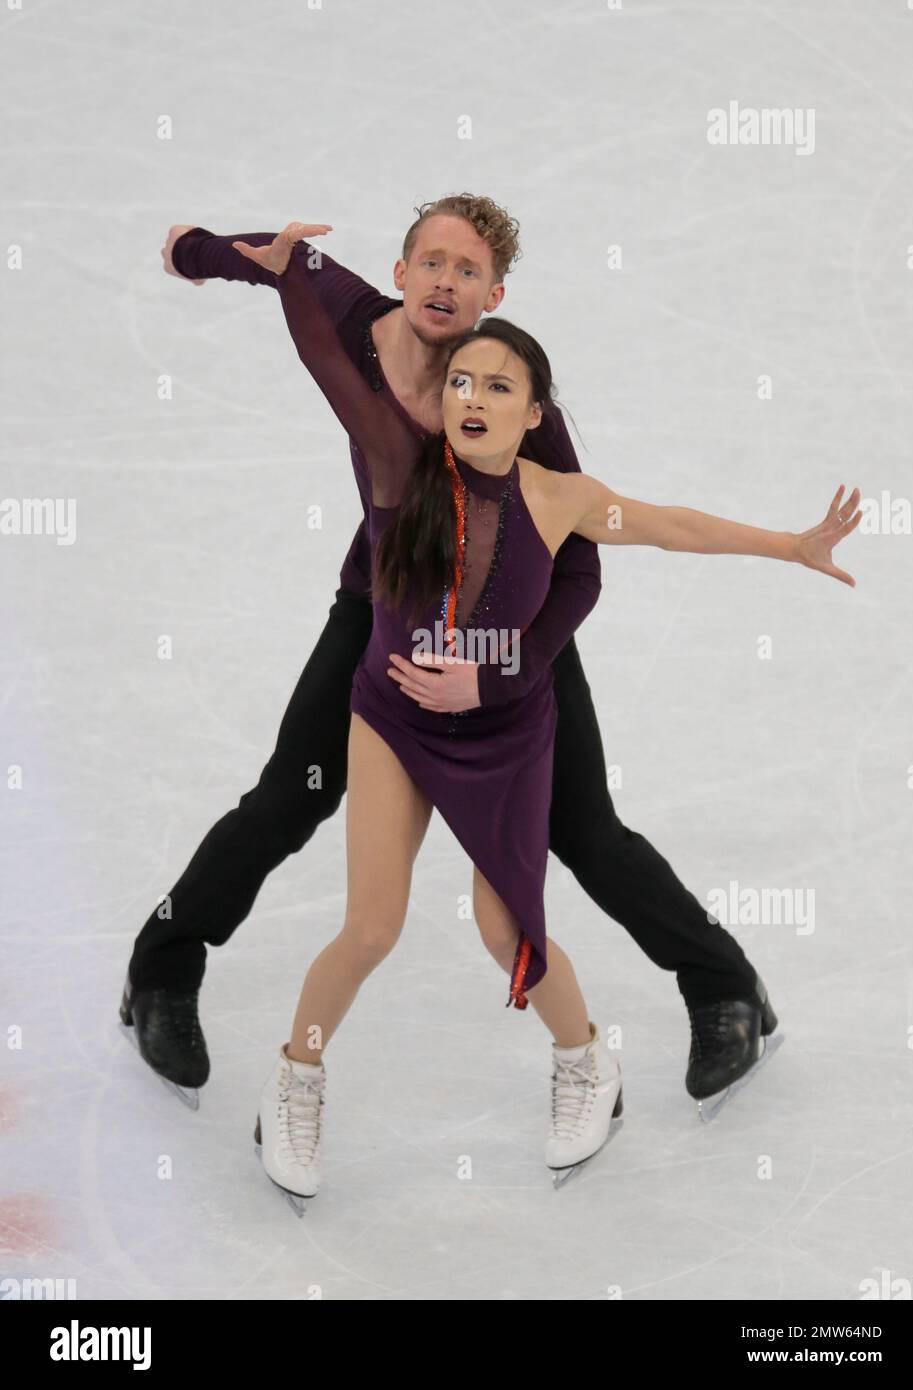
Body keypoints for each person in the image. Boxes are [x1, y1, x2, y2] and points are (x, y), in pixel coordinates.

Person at [234, 221, 859, 1197]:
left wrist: (789, 544)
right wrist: (284, 281)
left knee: (506, 930)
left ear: (534, 414)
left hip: (504, 731)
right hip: (394, 718)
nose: (472, 397)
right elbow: (330, 359)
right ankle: (295, 1075)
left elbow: (671, 526)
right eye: (460, 384)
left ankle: (584, 1062)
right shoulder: (398, 467)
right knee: (368, 927)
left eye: (497, 387)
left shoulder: (560, 499)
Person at [123, 194, 777, 1112]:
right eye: (433, 262)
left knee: (585, 830)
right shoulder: (356, 321)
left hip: (512, 630)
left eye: (467, 273)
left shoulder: (511, 393)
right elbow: (271, 263)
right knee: (292, 793)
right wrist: (196, 251)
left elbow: (580, 566)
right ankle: (162, 967)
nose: (445, 281)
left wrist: (509, 665)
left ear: (491, 296)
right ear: (402, 273)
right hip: (385, 607)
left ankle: (725, 985)